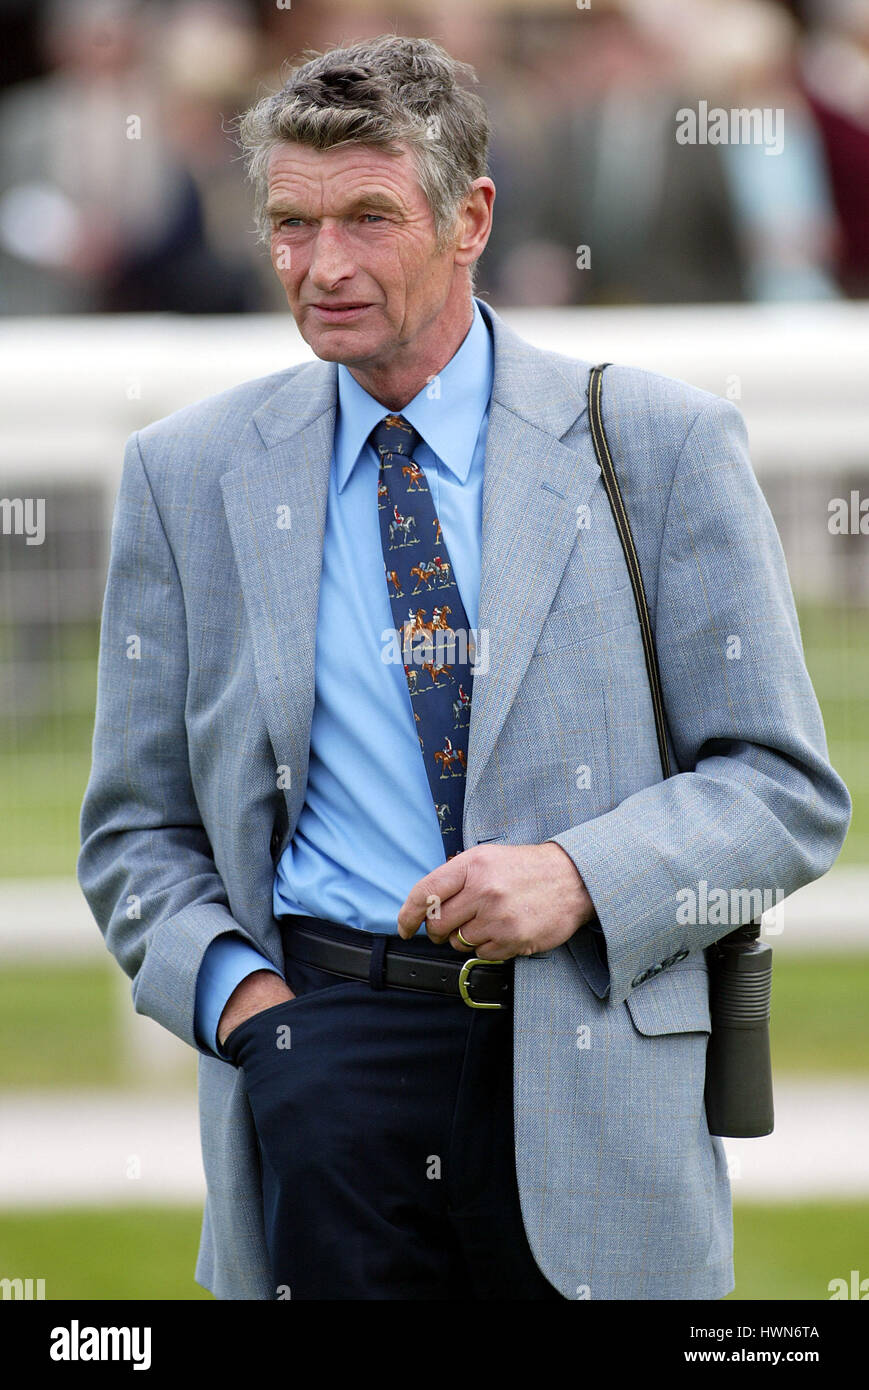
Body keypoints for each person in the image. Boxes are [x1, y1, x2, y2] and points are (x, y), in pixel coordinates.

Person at [78, 34, 851, 1301]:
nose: (319, 265)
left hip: (592, 1063)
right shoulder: (188, 473)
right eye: (290, 222)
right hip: (318, 1060)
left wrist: (574, 876)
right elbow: (133, 829)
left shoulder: (659, 443)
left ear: (469, 216)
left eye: (368, 217)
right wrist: (251, 1009)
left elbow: (781, 787)